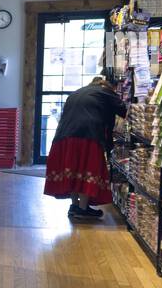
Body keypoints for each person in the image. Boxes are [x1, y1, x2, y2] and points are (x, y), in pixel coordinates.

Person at [43, 74, 126, 221]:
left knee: (73, 171)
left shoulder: (77, 92)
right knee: (87, 170)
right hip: (87, 135)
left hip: (64, 136)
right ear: (107, 86)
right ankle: (82, 209)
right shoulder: (105, 91)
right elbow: (123, 110)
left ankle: (76, 205)